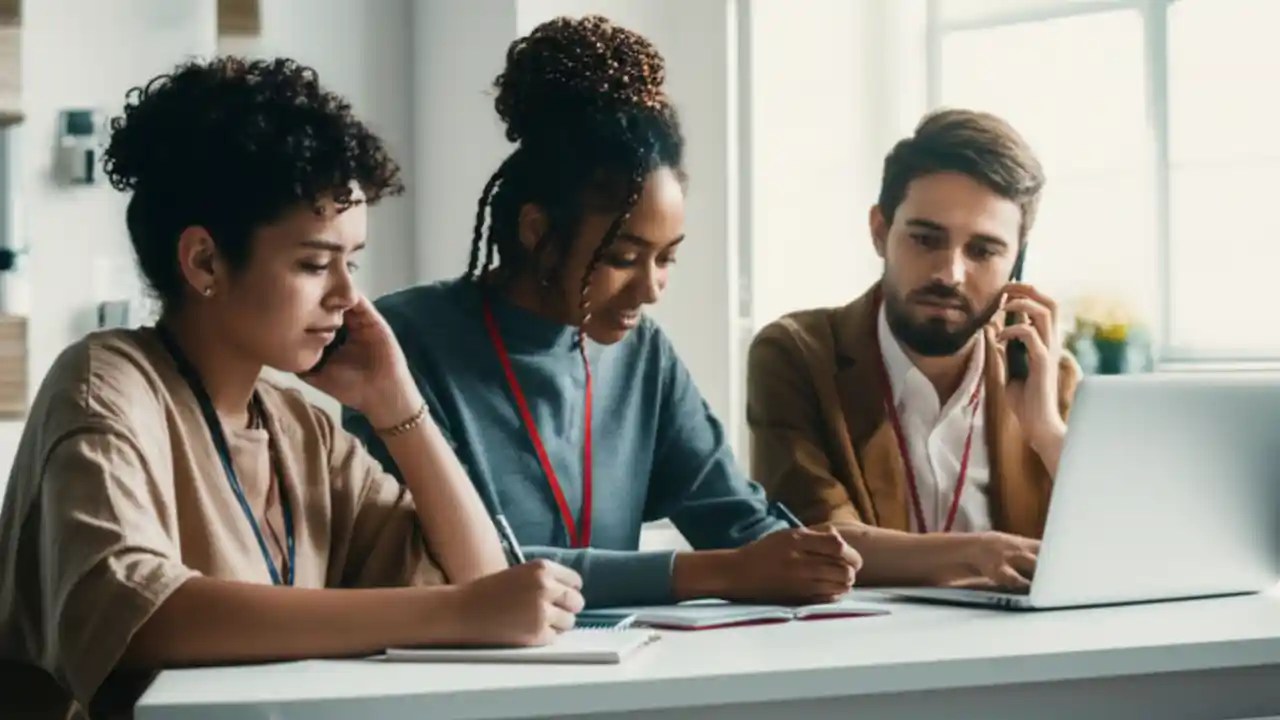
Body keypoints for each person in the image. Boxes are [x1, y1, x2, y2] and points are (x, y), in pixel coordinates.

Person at [0, 57, 583, 719]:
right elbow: (145, 616)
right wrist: (456, 612)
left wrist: (400, 406)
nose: (345, 296)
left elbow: (481, 588)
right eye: (314, 264)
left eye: (352, 263)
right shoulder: (105, 386)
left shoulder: (299, 425)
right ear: (204, 260)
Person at [344, 16, 861, 609]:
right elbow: (461, 560)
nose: (650, 288)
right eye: (623, 256)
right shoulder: (405, 341)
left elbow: (741, 527)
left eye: (667, 258)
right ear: (538, 231)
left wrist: (817, 558)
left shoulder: (644, 355)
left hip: (618, 673)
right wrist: (710, 574)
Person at [747, 109, 1081, 591]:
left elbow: (1119, 549)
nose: (950, 273)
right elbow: (815, 539)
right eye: (926, 239)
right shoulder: (797, 354)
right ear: (880, 231)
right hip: (860, 652)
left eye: (983, 251)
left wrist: (1048, 433)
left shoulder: (1050, 378)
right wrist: (978, 552)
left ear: (1016, 262)